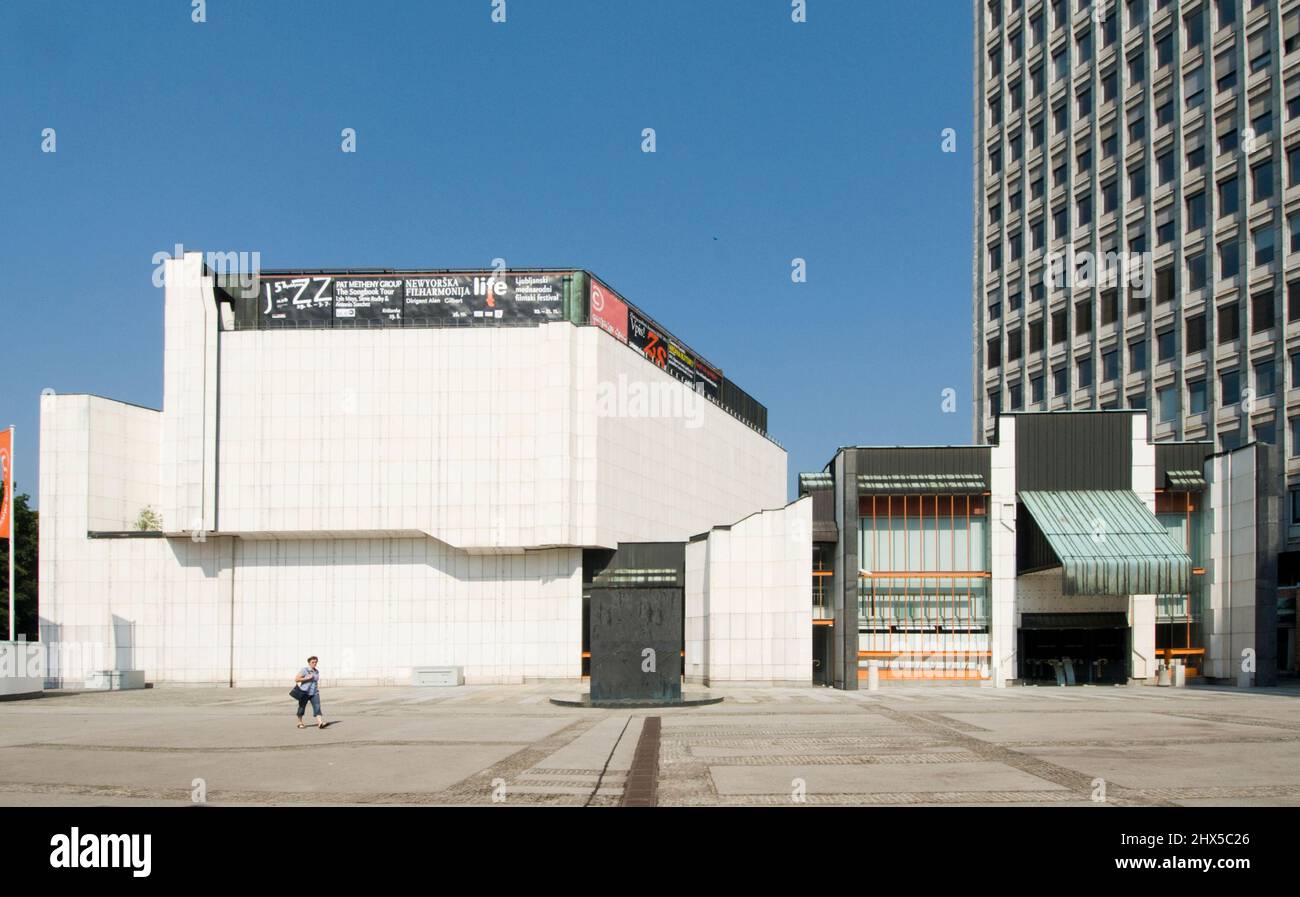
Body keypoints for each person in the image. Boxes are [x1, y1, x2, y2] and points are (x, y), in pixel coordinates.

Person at [294, 656, 327, 729]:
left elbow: (315, 682)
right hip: (304, 692)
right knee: (302, 707)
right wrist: (306, 678)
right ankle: (300, 722)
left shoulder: (316, 671)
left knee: (317, 707)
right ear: (309, 663)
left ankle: (320, 723)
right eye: (313, 662)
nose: (314, 663)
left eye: (316, 662)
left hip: (314, 693)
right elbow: (296, 679)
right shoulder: (304, 670)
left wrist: (317, 689)